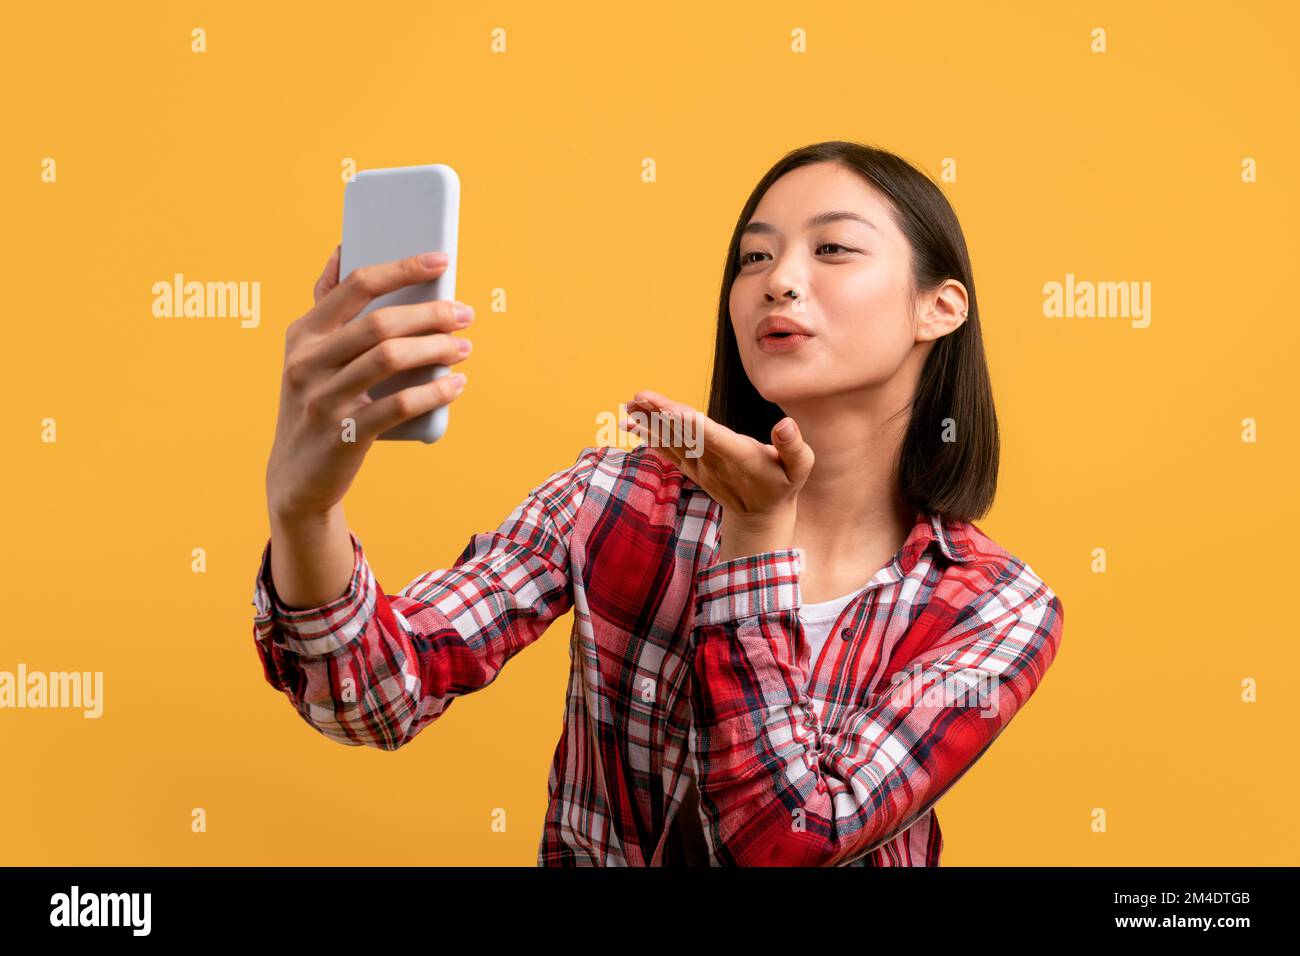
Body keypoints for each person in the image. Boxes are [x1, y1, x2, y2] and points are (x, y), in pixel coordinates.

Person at [252, 139, 1065, 867]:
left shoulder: (995, 608)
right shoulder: (614, 499)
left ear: (940, 307)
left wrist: (754, 540)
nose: (778, 281)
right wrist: (305, 511)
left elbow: (788, 840)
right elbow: (374, 698)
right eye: (753, 259)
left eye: (833, 249)